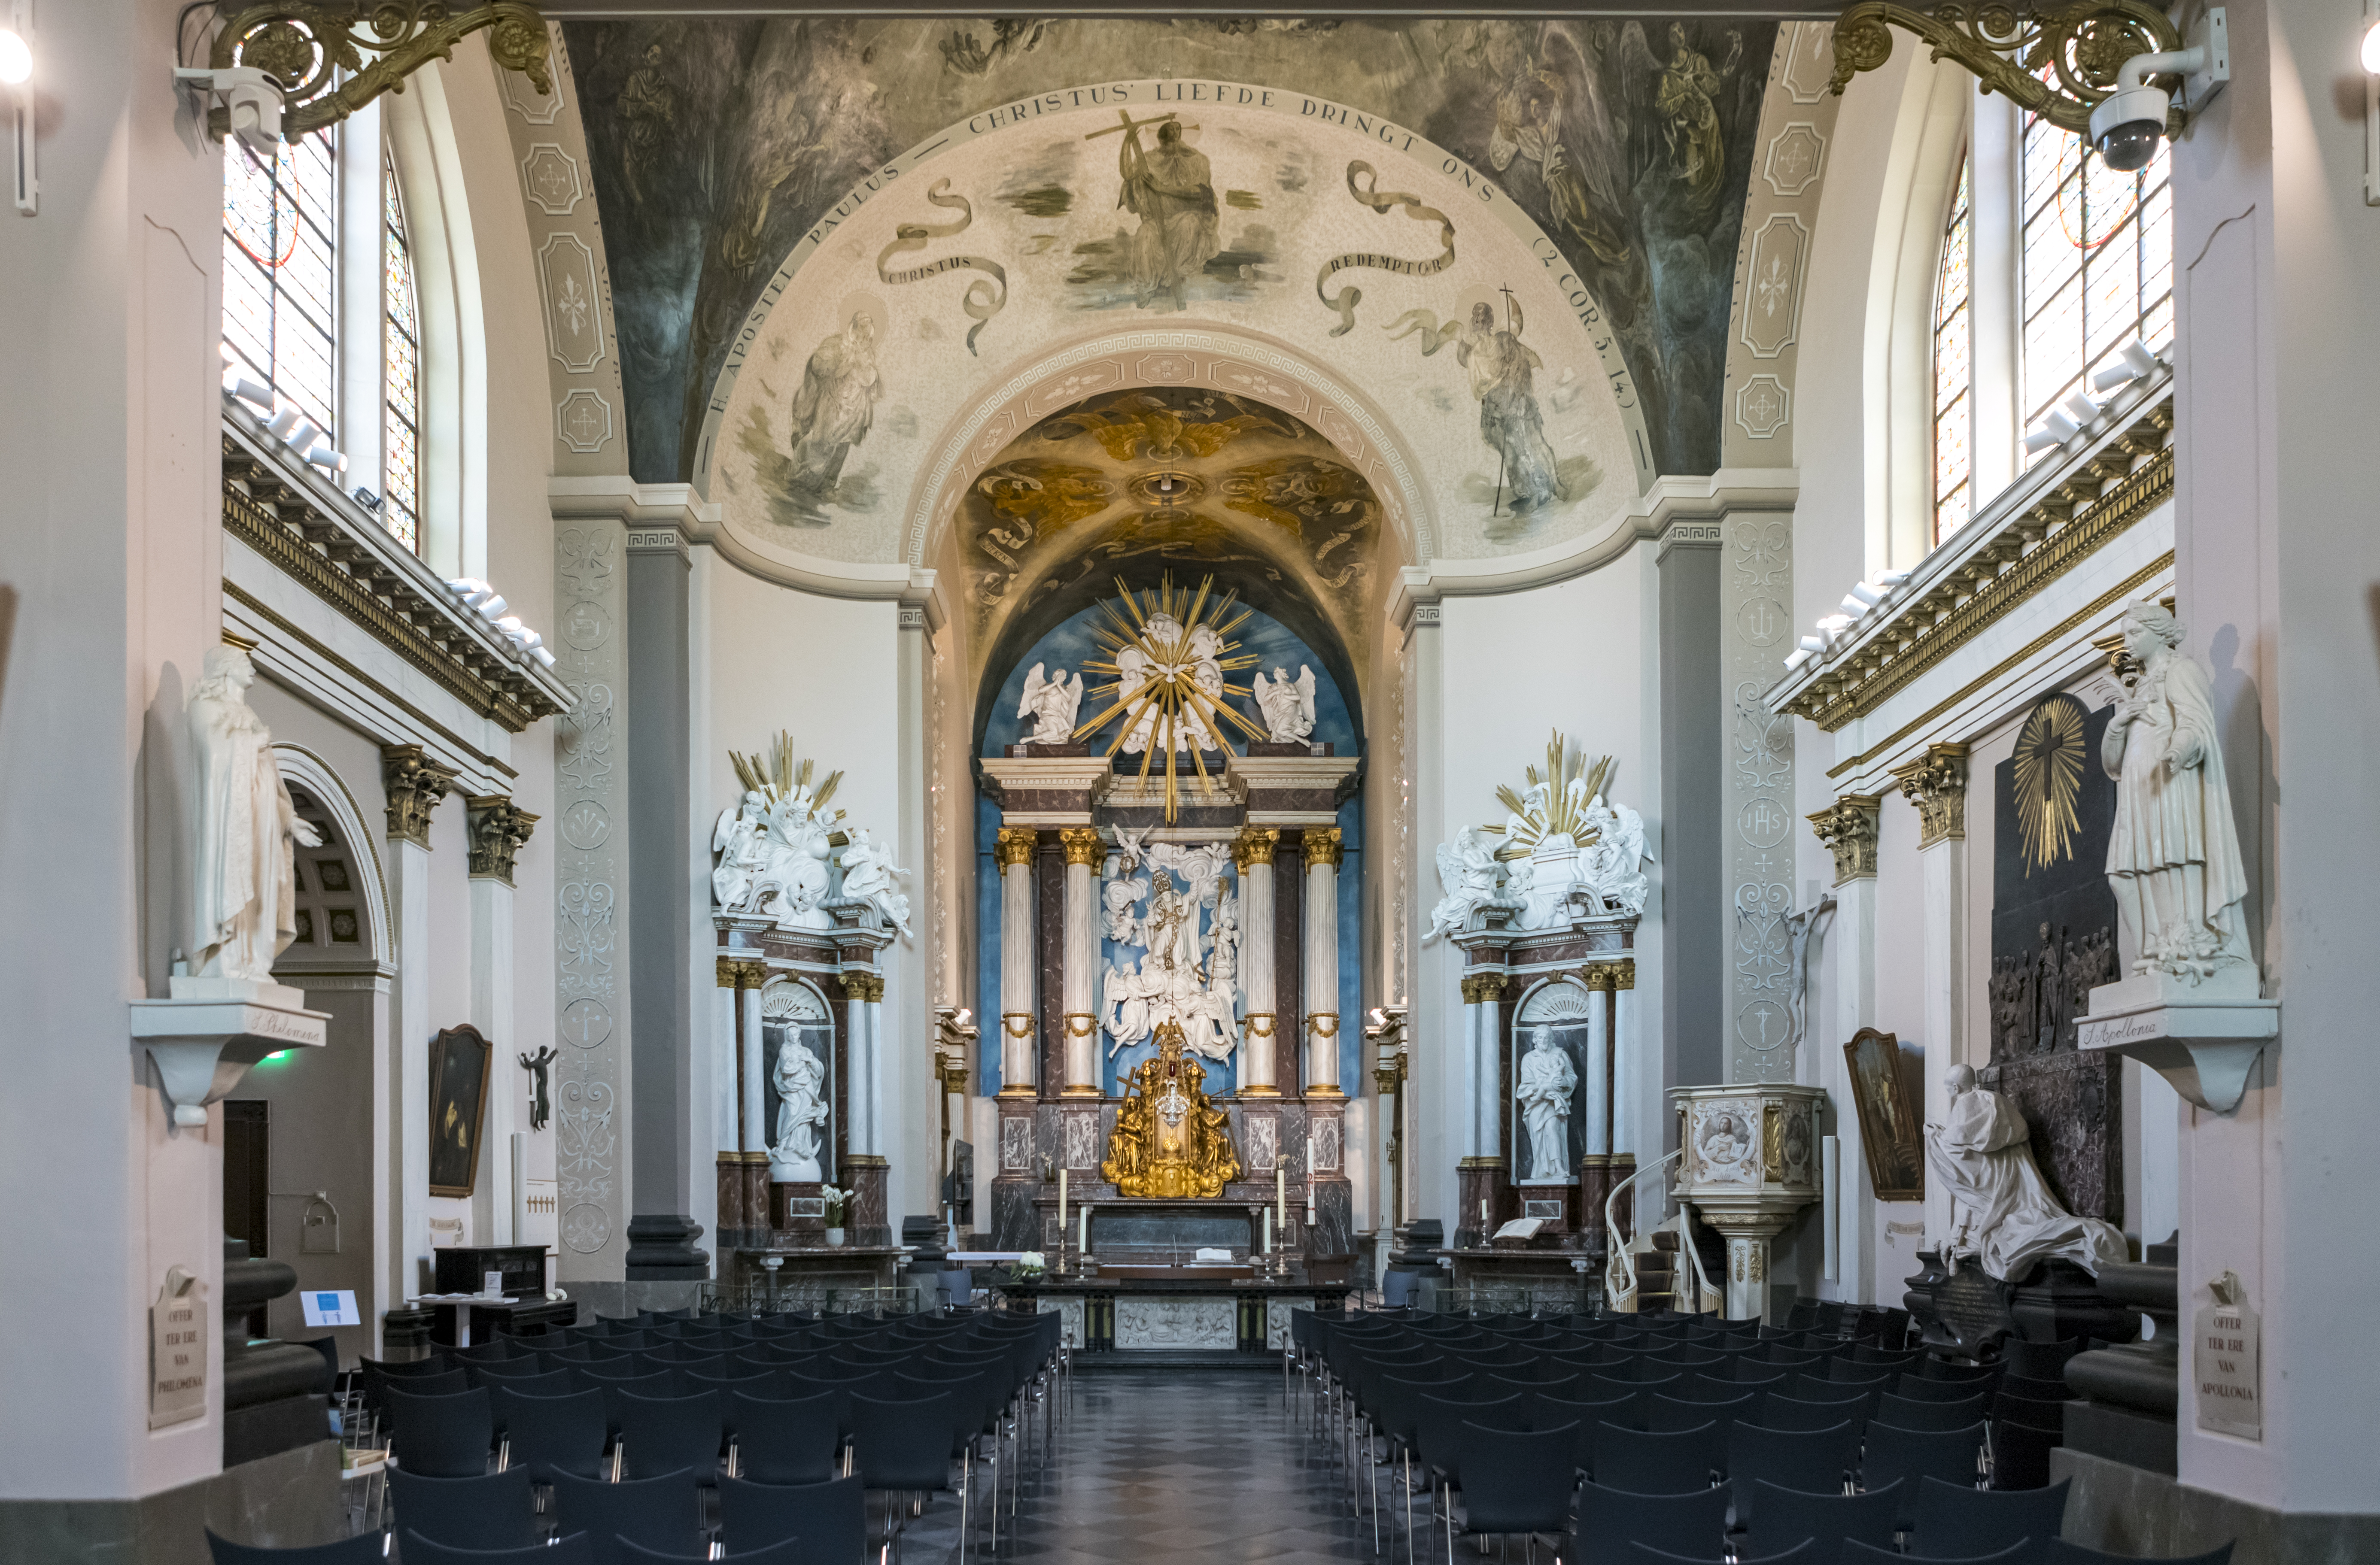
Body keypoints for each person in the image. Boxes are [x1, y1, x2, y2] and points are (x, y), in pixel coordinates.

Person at [2101, 601, 2253, 983]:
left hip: (2168, 783)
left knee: (2171, 859)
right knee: (2122, 874)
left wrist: (2179, 749)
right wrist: (2117, 726)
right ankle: (2152, 949)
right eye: (2125, 635)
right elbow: (2113, 764)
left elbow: (2195, 722)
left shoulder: (2181, 670)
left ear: (2159, 633)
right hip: (2135, 791)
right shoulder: (2138, 685)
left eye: (2135, 633)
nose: (2128, 642)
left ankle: (2182, 943)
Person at [188, 645, 319, 983]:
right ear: (227, 669)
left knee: (259, 890)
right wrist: (252, 742)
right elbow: (212, 755)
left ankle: (252, 962)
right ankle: (227, 960)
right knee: (235, 887)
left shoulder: (250, 716)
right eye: (246, 663)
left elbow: (269, 782)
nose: (253, 670)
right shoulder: (205, 707)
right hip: (230, 822)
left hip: (262, 822)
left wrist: (289, 819)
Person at [1927, 1064, 2125, 1280]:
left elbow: (1958, 1151)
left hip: (1992, 1178)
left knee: (2008, 1227)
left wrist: (1934, 1137)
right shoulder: (1996, 1101)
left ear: (1956, 1088)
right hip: (2013, 1177)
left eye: (1948, 1088)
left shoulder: (1964, 1106)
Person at [1456, 300, 1562, 513]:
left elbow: (1517, 363)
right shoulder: (1475, 352)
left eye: (1482, 316)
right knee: (1512, 453)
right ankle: (1527, 493)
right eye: (1475, 316)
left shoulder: (1503, 341)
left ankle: (1553, 484)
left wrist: (1511, 378)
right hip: (1495, 408)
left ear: (1490, 320)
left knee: (1532, 442)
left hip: (1516, 401)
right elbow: (1475, 381)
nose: (1477, 320)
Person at [1117, 118, 1220, 310]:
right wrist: (1127, 142)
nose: (1175, 133)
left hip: (1185, 217)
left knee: (1190, 225)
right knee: (1144, 234)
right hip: (1156, 221)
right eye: (1170, 130)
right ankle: (1146, 286)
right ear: (1161, 134)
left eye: (1177, 129)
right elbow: (1127, 174)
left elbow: (1200, 192)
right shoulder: (1147, 160)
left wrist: (1162, 189)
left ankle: (1178, 274)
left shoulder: (1197, 160)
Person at [1514, 1028, 1577, 1181]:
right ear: (1535, 1040)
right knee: (1539, 1138)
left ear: (1551, 1039)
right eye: (1540, 1038)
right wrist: (1542, 1086)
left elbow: (1571, 1077)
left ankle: (1558, 1167)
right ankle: (1543, 1170)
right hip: (1536, 1105)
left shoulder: (1560, 1054)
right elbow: (1526, 1085)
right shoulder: (1529, 1058)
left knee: (1552, 1129)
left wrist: (1564, 1082)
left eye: (1546, 1038)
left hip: (1553, 1103)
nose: (1543, 1041)